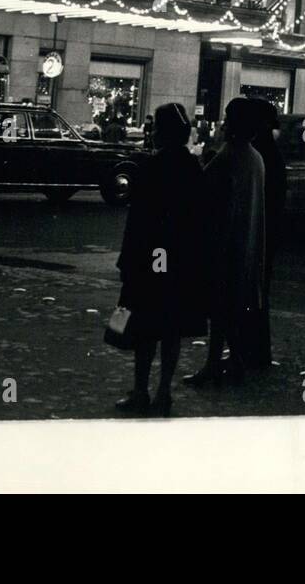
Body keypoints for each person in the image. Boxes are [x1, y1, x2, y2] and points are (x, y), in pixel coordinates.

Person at [115, 102, 206, 417]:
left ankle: (140, 390)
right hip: (179, 259)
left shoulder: (151, 167)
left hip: (150, 258)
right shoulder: (193, 168)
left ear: (162, 133)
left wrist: (127, 261)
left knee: (144, 329)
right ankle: (163, 392)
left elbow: (138, 220)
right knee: (171, 329)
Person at [185, 97, 266, 387]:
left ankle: (214, 364)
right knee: (232, 308)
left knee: (220, 309)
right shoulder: (255, 157)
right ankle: (234, 361)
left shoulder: (230, 155)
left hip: (225, 244)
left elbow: (203, 190)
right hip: (247, 242)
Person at [239, 98, 286, 368]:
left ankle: (252, 351)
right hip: (266, 232)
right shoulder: (268, 152)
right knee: (257, 294)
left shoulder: (261, 154)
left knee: (253, 293)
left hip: (259, 233)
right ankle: (255, 351)